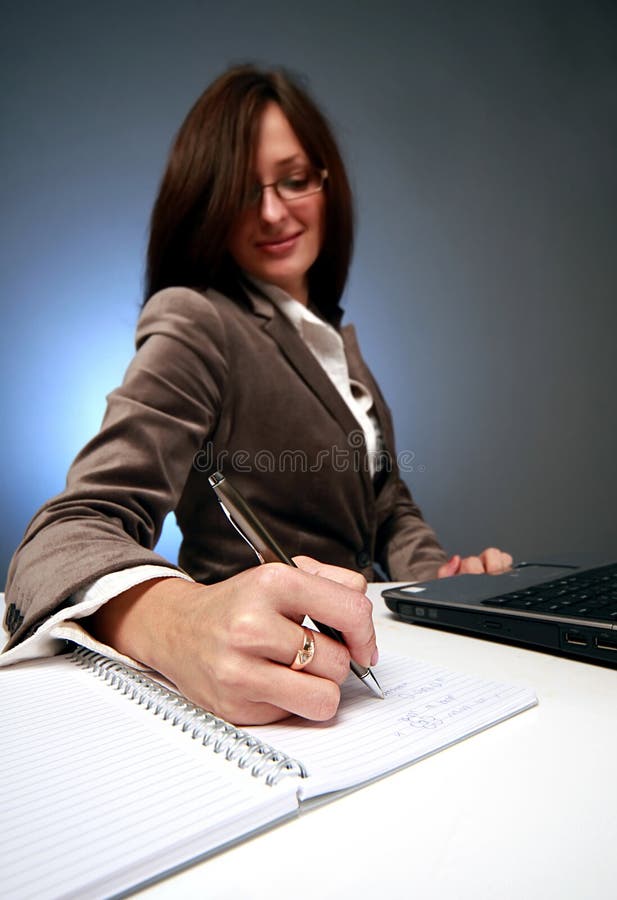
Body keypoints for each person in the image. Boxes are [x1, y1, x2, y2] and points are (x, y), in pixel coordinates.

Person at [2, 65, 512, 724]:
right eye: (243, 191)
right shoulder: (198, 322)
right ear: (206, 205)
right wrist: (179, 621)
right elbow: (64, 537)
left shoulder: (337, 349)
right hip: (261, 688)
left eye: (294, 180)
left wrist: (437, 579)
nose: (272, 212)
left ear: (327, 184)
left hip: (382, 669)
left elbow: (387, 507)